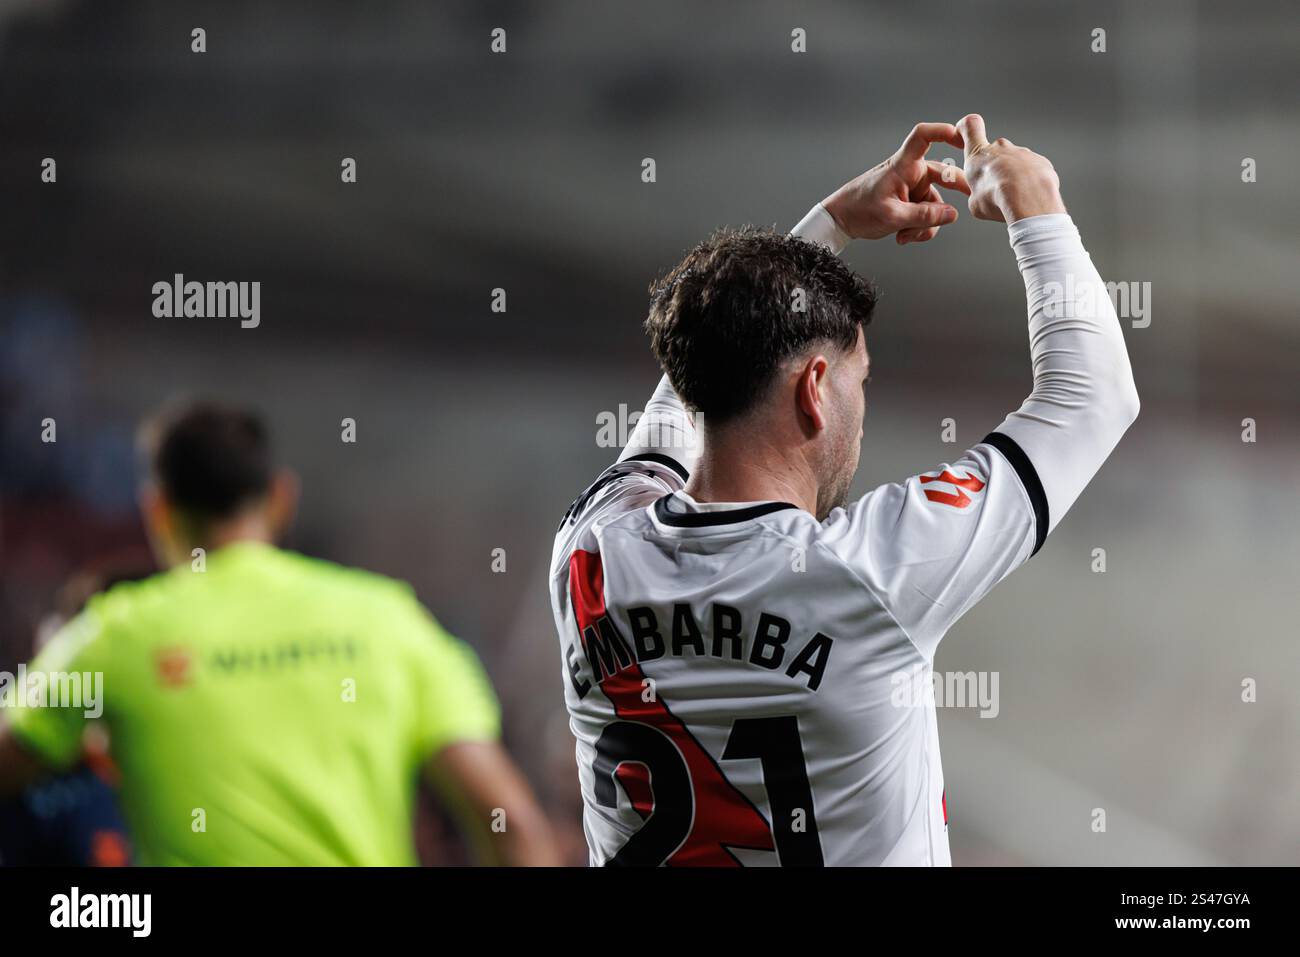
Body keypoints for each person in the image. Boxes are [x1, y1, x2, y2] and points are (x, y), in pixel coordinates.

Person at [549, 115, 1139, 866]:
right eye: (863, 380)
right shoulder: (866, 573)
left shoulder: (592, 547)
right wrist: (1037, 205)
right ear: (817, 388)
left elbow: (690, 384)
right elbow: (1092, 398)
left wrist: (827, 227)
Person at [0, 401, 560, 865]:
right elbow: (509, 823)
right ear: (280, 498)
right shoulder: (388, 618)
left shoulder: (114, 632)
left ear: (158, 510)